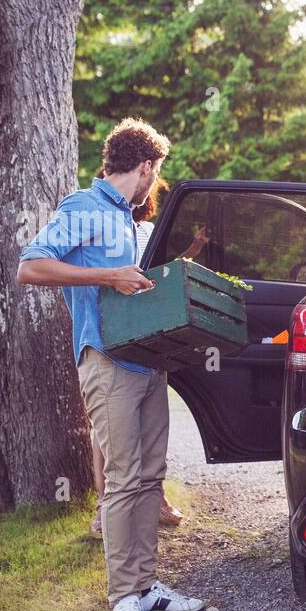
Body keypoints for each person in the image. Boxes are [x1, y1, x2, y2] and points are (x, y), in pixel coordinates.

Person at [18, 118, 204, 611]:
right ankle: (123, 598)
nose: (155, 183)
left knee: (149, 476)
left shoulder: (127, 218)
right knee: (122, 480)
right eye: (157, 172)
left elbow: (135, 286)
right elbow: (30, 267)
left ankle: (146, 587)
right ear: (146, 166)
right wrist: (108, 275)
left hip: (148, 362)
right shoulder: (85, 208)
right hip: (106, 360)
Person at [86, 174, 205, 537]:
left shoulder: (149, 230)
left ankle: (156, 500)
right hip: (110, 331)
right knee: (104, 430)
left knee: (151, 423)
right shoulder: (96, 221)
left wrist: (193, 250)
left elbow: (162, 269)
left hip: (148, 333)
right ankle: (102, 507)